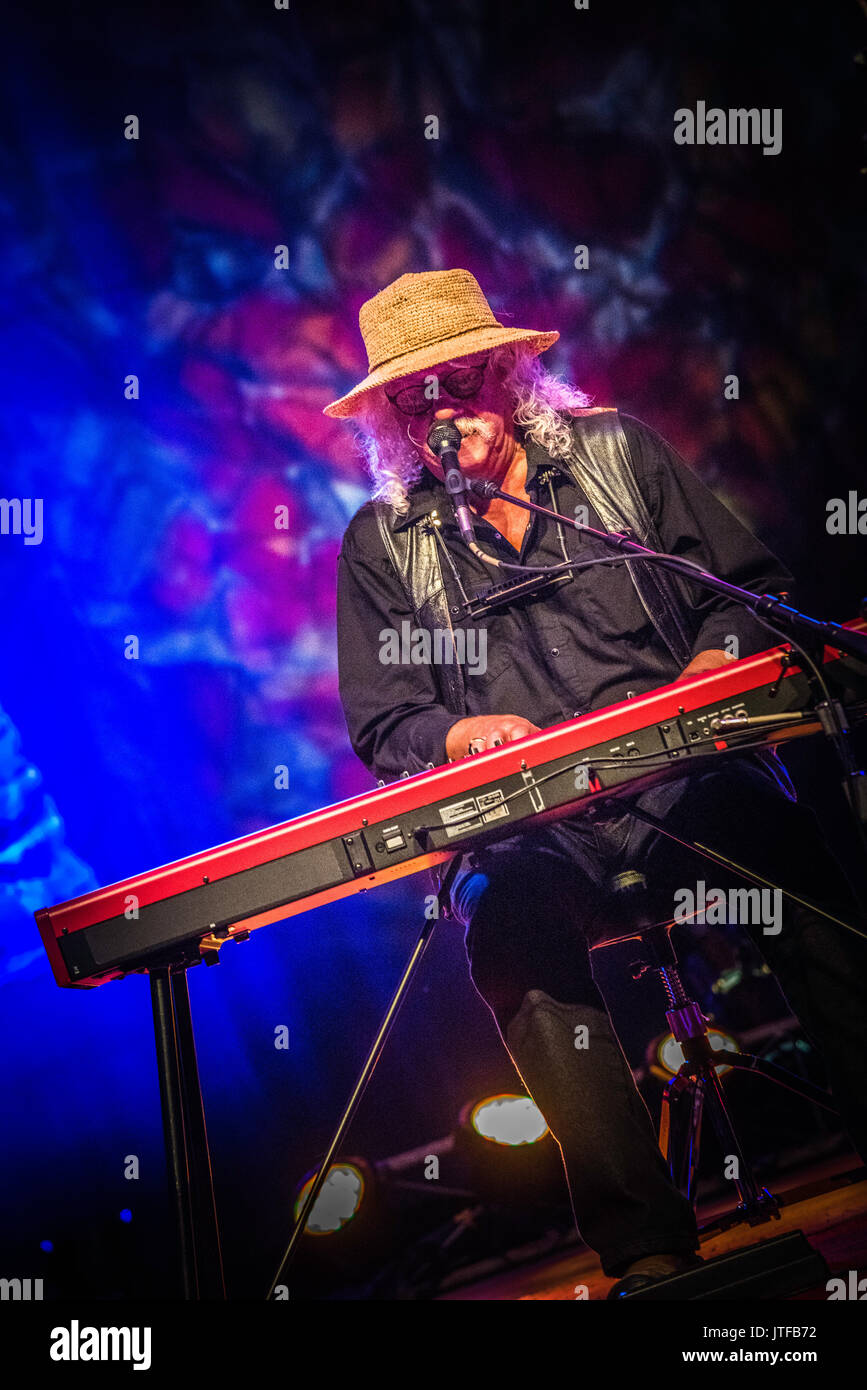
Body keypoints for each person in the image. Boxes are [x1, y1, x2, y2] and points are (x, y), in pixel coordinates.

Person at [325, 269, 867, 1296]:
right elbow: (385, 720)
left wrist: (720, 657)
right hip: (542, 834)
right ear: (392, 418)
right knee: (507, 930)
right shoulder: (383, 544)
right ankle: (648, 1248)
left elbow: (750, 592)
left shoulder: (619, 459)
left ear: (511, 368)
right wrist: (455, 733)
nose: (441, 411)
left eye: (460, 379)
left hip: (683, 787)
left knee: (797, 858)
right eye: (413, 396)